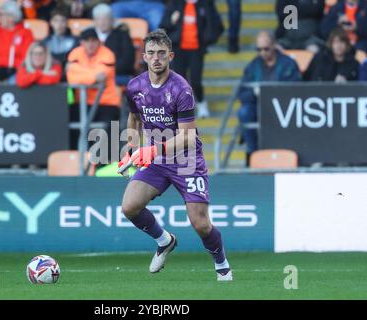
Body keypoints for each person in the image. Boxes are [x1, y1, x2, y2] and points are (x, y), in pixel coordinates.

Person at [117, 29, 232, 281]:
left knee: (200, 223)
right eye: (150, 53)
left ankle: (222, 264)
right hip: (157, 159)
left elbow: (188, 136)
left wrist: (151, 150)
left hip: (187, 160)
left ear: (171, 55)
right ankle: (164, 240)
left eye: (161, 53)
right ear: (144, 57)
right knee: (129, 207)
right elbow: (134, 117)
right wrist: (130, 147)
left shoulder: (182, 89)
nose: (156, 58)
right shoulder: (135, 86)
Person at [238, 31, 301, 161]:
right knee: (244, 112)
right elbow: (242, 92)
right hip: (259, 106)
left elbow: (297, 88)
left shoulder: (288, 63)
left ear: (274, 45)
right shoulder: (252, 66)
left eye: (266, 49)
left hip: (284, 107)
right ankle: (252, 152)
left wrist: (274, 92)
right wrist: (254, 93)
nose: (263, 53)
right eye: (259, 49)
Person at [160, 0, 224, 119]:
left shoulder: (206, 4)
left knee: (196, 80)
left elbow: (217, 25)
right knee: (179, 82)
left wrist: (207, 39)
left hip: (196, 50)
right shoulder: (176, 3)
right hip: (179, 49)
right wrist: (171, 20)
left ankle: (201, 103)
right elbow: (163, 24)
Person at [67, 28, 121, 156]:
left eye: (93, 41)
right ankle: (74, 158)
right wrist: (92, 76)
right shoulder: (75, 53)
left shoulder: (108, 54)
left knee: (107, 128)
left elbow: (102, 74)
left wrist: (81, 73)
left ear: (99, 42)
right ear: (81, 42)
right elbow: (71, 78)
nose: (90, 44)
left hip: (106, 102)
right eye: (87, 41)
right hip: (81, 101)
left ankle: (104, 163)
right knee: (66, 120)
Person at [0, 0, 34, 84]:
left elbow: (27, 55)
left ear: (11, 17)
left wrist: (16, 69)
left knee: (14, 83)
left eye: (1, 15)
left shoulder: (25, 33)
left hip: (16, 71)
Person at [92, 3, 135, 85]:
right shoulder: (87, 36)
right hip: (91, 75)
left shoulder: (123, 36)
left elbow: (127, 61)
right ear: (94, 21)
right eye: (99, 19)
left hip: (116, 75)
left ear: (111, 20)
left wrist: (107, 72)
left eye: (105, 19)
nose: (102, 22)